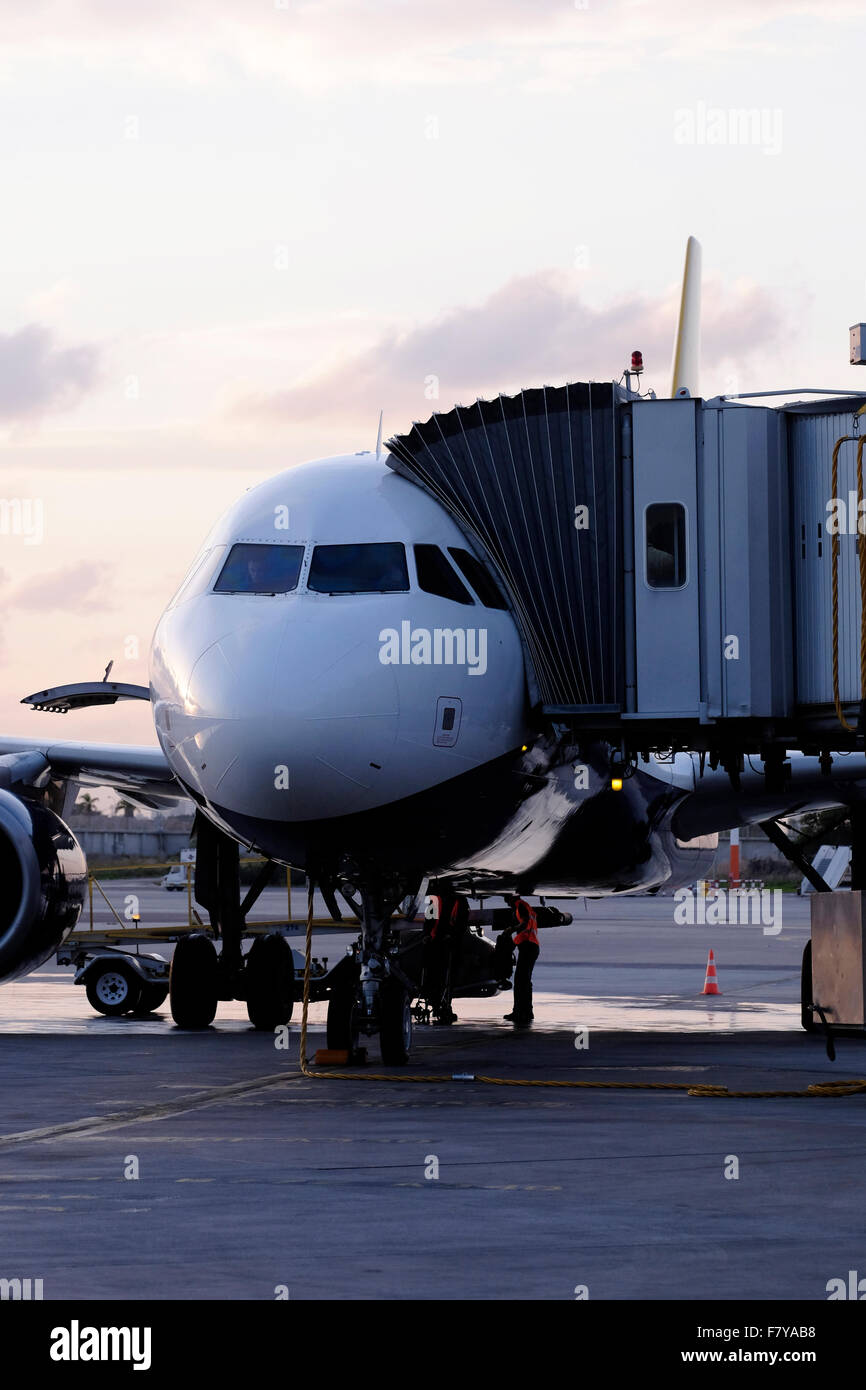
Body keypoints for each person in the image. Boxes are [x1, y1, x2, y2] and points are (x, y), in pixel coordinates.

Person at [503, 894, 539, 1026]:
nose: (507, 903)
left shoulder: (521, 906)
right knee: (524, 981)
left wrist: (511, 930)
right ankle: (526, 1011)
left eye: (506, 899)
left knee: (520, 980)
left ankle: (519, 1012)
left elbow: (524, 925)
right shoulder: (526, 907)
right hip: (531, 946)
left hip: (528, 946)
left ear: (511, 897)